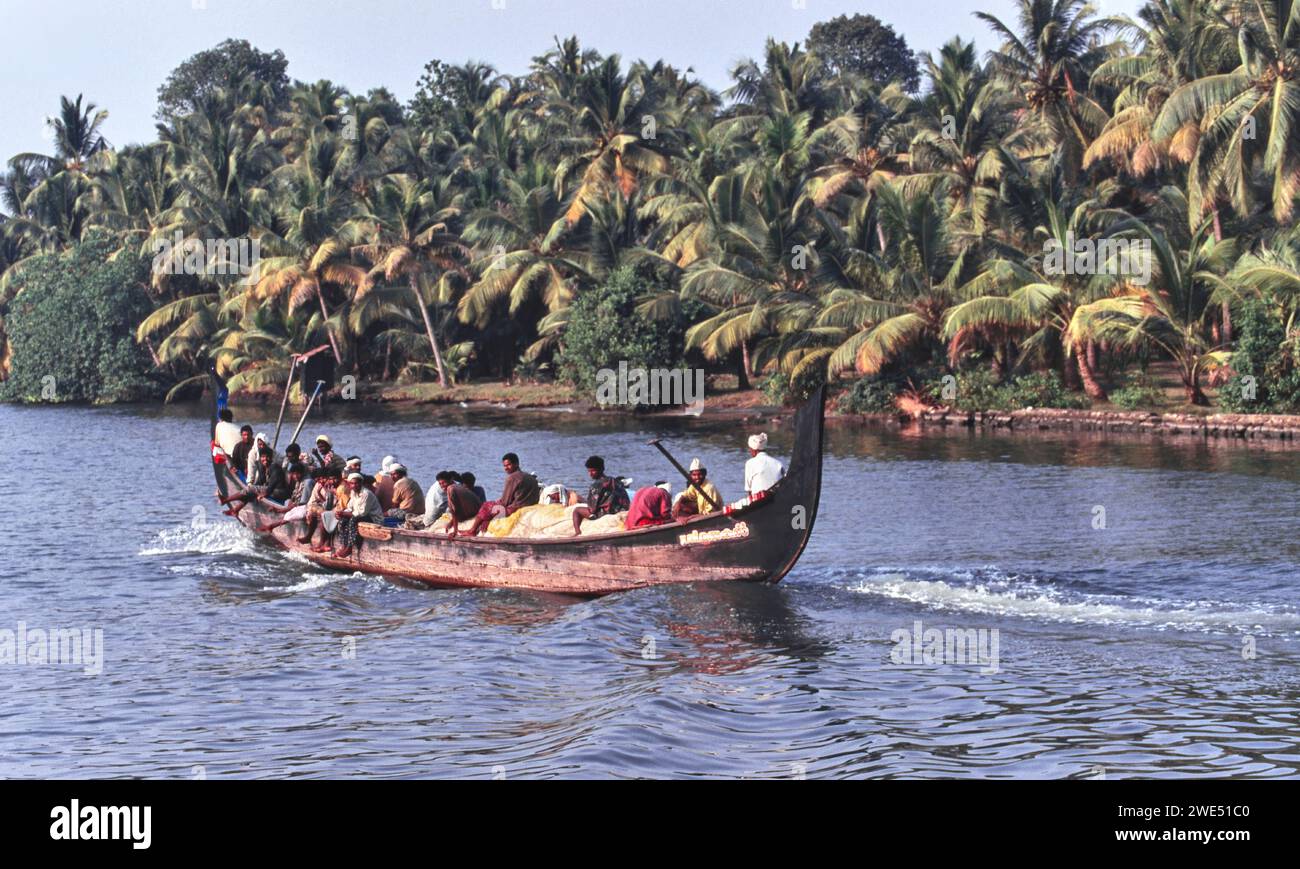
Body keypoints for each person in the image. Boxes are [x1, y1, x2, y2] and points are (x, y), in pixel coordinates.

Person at [467, 453, 540, 536]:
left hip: (515, 509)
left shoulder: (512, 477)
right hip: (530, 506)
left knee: (487, 505)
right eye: (504, 466)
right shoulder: (530, 477)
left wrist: (491, 511)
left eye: (508, 465)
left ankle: (472, 530)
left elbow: (505, 502)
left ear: (516, 464)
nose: (506, 468)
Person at [571, 455, 630, 535]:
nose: (590, 474)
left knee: (577, 510)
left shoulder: (595, 486)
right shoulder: (615, 481)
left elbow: (592, 509)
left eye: (593, 471)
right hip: (619, 509)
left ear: (601, 469)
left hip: (605, 513)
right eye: (589, 471)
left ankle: (577, 532)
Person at [333, 472, 383, 558]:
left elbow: (361, 513)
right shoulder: (353, 492)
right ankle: (344, 545)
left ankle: (349, 547)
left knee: (353, 520)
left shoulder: (366, 494)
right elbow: (349, 507)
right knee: (342, 521)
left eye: (356, 483)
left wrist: (344, 513)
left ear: (361, 483)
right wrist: (341, 513)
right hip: (360, 515)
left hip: (374, 518)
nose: (354, 485)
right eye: (352, 483)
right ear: (349, 484)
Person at [257, 463, 311, 532]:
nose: (295, 476)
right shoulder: (299, 481)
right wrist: (284, 508)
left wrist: (279, 510)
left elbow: (300, 504)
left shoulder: (307, 482)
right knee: (287, 502)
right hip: (299, 505)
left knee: (294, 513)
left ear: (302, 473)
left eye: (297, 474)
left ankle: (271, 526)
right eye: (293, 474)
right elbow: (294, 499)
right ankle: (273, 524)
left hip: (307, 507)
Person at [433, 471, 484, 538]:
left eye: (444, 483)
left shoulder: (451, 488)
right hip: (472, 511)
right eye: (440, 484)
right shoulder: (457, 487)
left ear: (450, 480)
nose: (442, 486)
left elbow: (455, 510)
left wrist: (455, 530)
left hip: (473, 512)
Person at [301, 471, 340, 547]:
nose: (321, 481)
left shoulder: (333, 486)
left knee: (325, 516)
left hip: (335, 510)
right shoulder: (319, 485)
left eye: (322, 478)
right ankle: (309, 537)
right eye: (318, 480)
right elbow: (322, 502)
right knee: (313, 513)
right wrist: (319, 493)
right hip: (327, 508)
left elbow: (334, 503)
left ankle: (324, 543)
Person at [744, 432, 784, 502]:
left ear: (753, 450)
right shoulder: (778, 463)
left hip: (759, 503)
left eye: (750, 449)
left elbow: (749, 491)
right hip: (777, 500)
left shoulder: (750, 463)